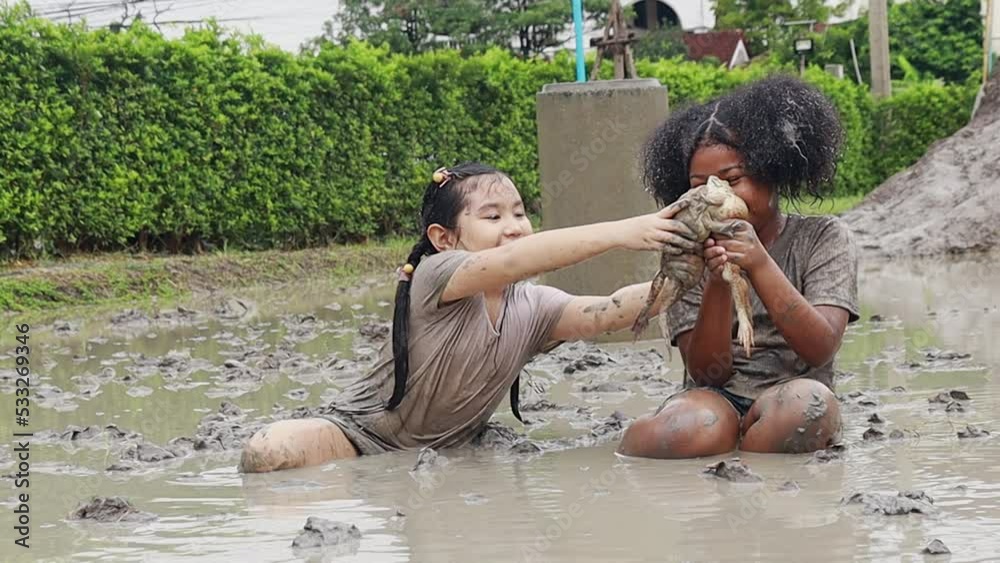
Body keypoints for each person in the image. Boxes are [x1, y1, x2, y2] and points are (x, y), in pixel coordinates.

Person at [240, 161, 700, 472]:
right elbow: (517, 261)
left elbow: (611, 312)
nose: (514, 226)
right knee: (267, 452)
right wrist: (623, 231)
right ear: (444, 238)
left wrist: (696, 268)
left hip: (455, 447)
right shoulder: (436, 274)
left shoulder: (534, 307)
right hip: (361, 437)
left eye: (519, 213)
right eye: (493, 216)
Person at [617, 74, 859, 459]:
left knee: (806, 410)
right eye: (700, 185)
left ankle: (747, 467)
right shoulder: (686, 251)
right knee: (687, 429)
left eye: (732, 180)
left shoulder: (824, 238)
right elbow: (705, 370)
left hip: (793, 393)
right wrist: (717, 281)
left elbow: (820, 348)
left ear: (772, 173)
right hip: (715, 398)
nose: (716, 196)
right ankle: (728, 455)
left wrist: (759, 263)